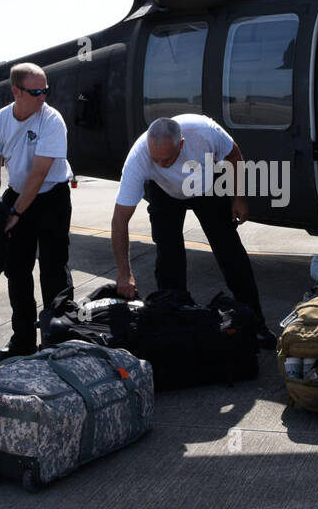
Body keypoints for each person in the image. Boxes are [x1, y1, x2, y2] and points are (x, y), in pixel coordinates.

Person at [110, 115, 276, 349]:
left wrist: (239, 197)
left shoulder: (205, 133)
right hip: (165, 192)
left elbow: (234, 155)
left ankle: (255, 323)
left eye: (167, 159)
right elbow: (119, 220)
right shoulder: (139, 158)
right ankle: (174, 324)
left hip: (207, 186)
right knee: (169, 258)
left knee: (230, 253)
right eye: (156, 160)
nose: (161, 164)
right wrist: (123, 272)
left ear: (183, 144)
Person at [0, 63, 72, 361]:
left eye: (45, 90)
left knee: (53, 269)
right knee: (17, 270)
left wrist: (16, 213)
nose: (42, 97)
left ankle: (59, 338)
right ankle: (22, 340)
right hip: (19, 192)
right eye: (35, 92)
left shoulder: (52, 121)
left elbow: (38, 176)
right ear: (16, 92)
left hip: (52, 197)